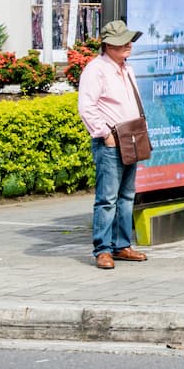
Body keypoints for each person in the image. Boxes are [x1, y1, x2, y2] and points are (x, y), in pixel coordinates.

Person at [77, 19, 148, 270]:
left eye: (129, 41)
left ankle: (121, 245)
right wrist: (104, 133)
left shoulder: (126, 68)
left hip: (131, 136)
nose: (128, 45)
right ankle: (103, 249)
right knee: (107, 198)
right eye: (122, 42)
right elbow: (86, 106)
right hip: (111, 140)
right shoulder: (96, 69)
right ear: (108, 45)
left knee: (126, 196)